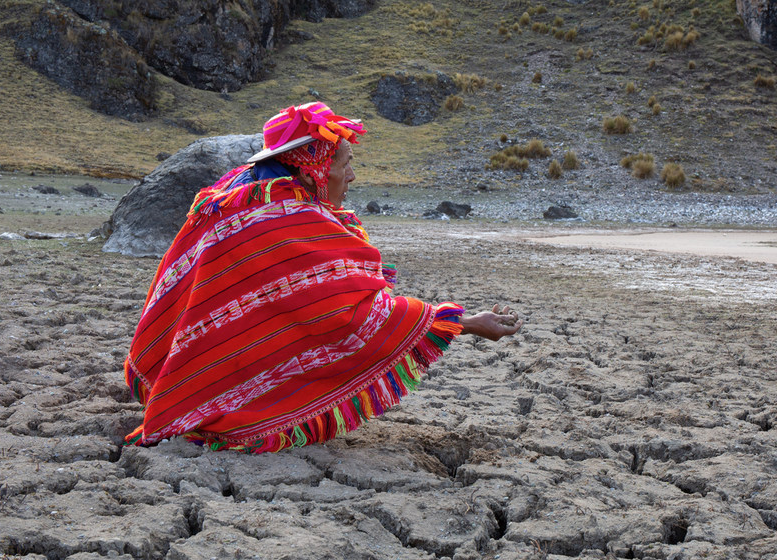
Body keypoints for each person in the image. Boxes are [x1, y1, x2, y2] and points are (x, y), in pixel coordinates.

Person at [124, 101, 521, 453]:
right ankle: (222, 402)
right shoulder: (284, 221)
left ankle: (190, 389)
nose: (351, 176)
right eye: (345, 164)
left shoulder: (240, 192)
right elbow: (353, 316)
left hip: (171, 371)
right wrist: (464, 323)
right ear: (315, 169)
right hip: (210, 396)